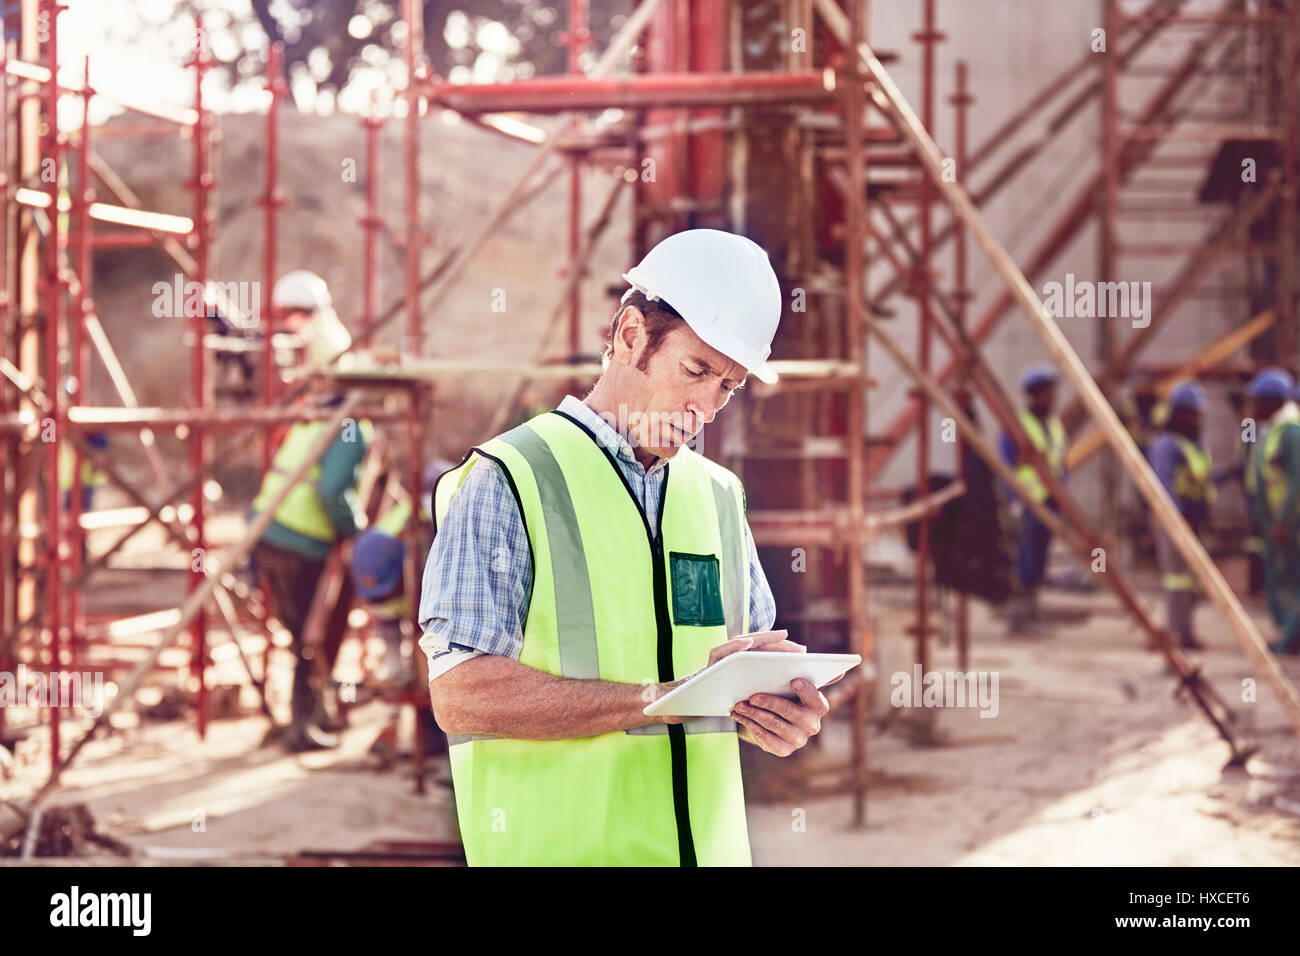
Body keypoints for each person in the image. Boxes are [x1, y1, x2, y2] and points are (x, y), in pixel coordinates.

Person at [419, 229, 828, 867]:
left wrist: (777, 717)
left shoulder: (718, 496)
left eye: (727, 386)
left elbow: (737, 684)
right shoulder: (511, 479)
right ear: (630, 334)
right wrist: (656, 700)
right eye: (695, 370)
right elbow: (461, 693)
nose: (705, 406)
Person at [250, 391, 369, 751]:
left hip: (266, 535)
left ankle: (300, 718)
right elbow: (332, 491)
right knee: (308, 636)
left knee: (298, 634)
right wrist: (355, 529)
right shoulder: (351, 428)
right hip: (300, 544)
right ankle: (301, 727)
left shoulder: (309, 424)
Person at [348, 460, 453, 766]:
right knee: (414, 666)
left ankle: (438, 739)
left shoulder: (432, 540)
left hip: (427, 590)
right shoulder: (378, 554)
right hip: (408, 583)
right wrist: (395, 687)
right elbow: (389, 636)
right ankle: (431, 736)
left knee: (435, 660)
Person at [999, 363, 1067, 635]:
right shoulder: (1018, 426)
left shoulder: (1054, 425)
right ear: (1035, 395)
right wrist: (1013, 500)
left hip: (1049, 502)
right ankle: (1018, 618)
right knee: (1024, 559)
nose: (1053, 398)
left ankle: (1032, 614)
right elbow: (1006, 464)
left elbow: (1061, 462)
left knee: (1039, 558)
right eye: (1048, 392)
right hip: (1027, 502)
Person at [1148, 382, 1214, 649]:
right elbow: (1163, 483)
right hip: (1176, 520)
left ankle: (1186, 632)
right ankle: (1177, 633)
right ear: (1180, 414)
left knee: (1193, 581)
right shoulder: (1166, 444)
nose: (1197, 420)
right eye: (1192, 414)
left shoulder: (1195, 443)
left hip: (1196, 517)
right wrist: (1174, 520)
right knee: (1177, 579)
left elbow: (1200, 478)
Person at [1248, 368, 1300, 653]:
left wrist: (1284, 520)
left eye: (1257, 400)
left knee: (1294, 580)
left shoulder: (1291, 431)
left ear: (1272, 401)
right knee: (1282, 579)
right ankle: (1290, 635)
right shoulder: (1273, 430)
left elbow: (1297, 479)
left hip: (1291, 521)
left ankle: (1291, 640)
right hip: (1277, 520)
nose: (1254, 407)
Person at [271, 270, 353, 371]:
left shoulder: (316, 335)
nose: (284, 321)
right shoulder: (331, 328)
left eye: (284, 313)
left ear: (297, 312)